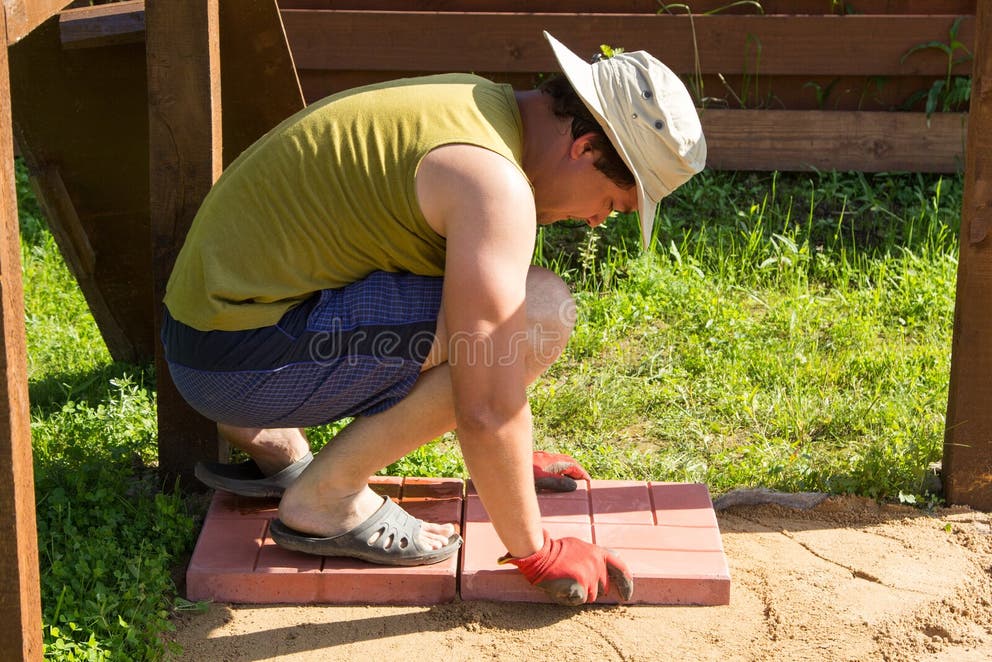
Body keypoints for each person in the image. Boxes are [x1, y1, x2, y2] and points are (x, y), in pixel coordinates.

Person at [161, 32, 705, 605]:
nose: (596, 221)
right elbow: (486, 405)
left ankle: (280, 450)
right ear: (586, 148)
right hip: (238, 365)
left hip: (211, 337)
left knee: (503, 322)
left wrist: (509, 467)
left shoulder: (477, 104)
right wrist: (536, 550)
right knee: (542, 310)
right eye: (613, 204)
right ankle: (328, 496)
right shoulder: (491, 184)